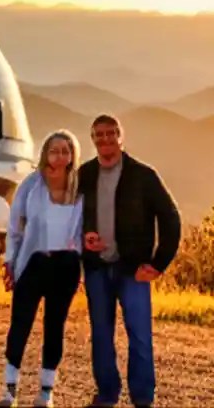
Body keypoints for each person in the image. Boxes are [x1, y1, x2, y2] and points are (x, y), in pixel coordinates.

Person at [78, 114, 182, 408]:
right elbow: (73, 215)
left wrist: (159, 264)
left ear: (121, 137)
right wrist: (85, 235)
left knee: (139, 337)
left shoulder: (143, 176)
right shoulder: (84, 175)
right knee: (100, 336)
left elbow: (171, 217)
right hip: (97, 268)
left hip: (133, 270)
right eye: (99, 134)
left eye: (111, 133)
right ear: (93, 139)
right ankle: (107, 394)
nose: (106, 139)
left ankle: (143, 398)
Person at [0, 129, 84, 408]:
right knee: (20, 325)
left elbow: (85, 229)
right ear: (45, 153)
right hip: (34, 262)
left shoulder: (79, 187)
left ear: (72, 156)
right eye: (55, 150)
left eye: (66, 150)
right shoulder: (32, 185)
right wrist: (10, 261)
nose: (60, 156)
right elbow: (15, 226)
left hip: (66, 266)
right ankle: (10, 391)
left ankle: (46, 392)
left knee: (54, 327)